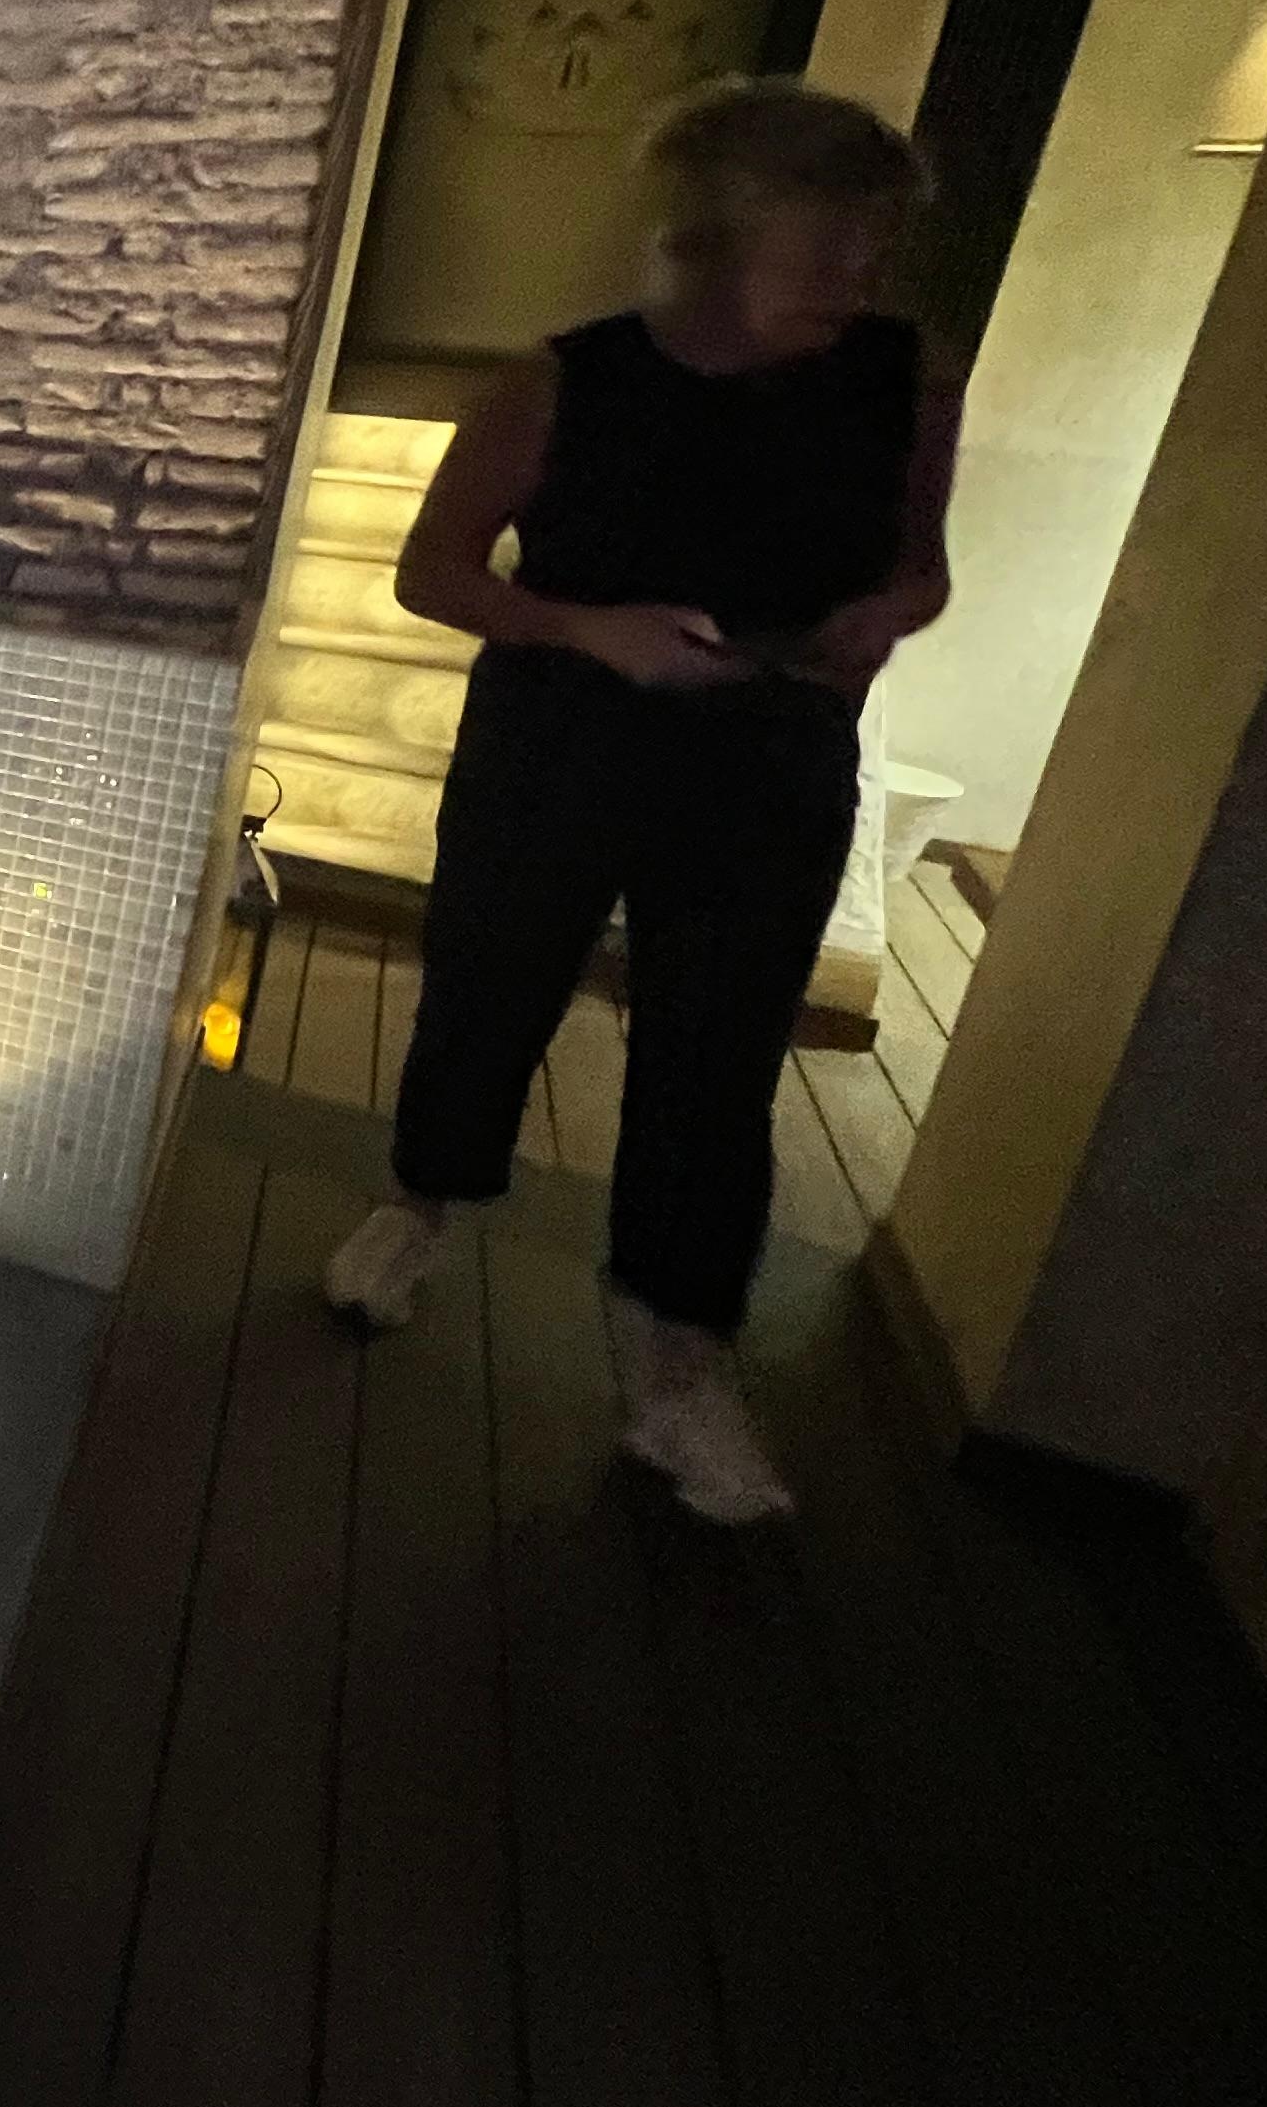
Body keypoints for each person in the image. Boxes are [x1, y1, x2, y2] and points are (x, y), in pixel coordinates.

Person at [320, 79, 963, 1523]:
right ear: (720, 232)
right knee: (489, 983)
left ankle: (680, 1363)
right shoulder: (568, 379)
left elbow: (922, 564)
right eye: (826, 244)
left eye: (874, 246)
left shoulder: (906, 377)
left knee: (721, 1053)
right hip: (561, 735)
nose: (857, 277)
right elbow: (434, 571)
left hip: (774, 749)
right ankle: (419, 1204)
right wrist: (587, 630)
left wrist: (886, 615)